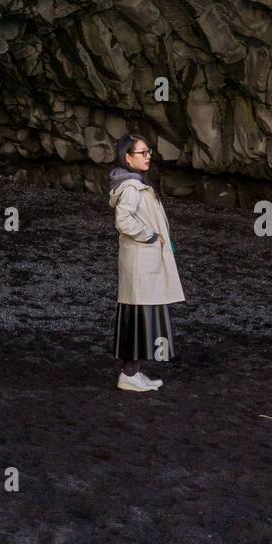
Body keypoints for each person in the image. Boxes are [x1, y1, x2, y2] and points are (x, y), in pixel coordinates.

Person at [108, 134, 185, 393]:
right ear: (127, 158)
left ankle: (132, 373)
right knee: (141, 320)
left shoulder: (138, 183)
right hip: (141, 263)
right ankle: (130, 375)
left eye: (148, 151)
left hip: (142, 262)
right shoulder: (131, 187)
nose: (148, 155)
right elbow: (124, 221)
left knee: (140, 319)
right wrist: (151, 236)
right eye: (142, 152)